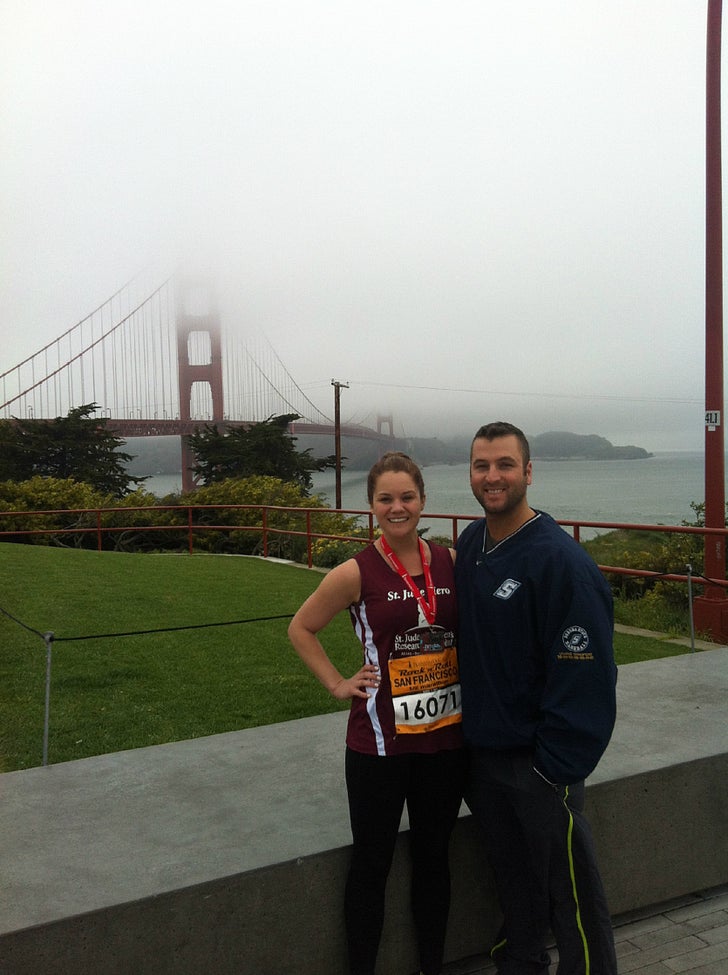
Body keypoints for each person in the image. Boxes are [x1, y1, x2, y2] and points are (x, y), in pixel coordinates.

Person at [288, 452, 466, 975]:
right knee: (372, 864)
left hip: (445, 740)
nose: (397, 507)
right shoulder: (354, 572)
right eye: (386, 499)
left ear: (423, 500)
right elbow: (301, 628)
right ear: (371, 507)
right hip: (379, 746)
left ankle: (430, 965)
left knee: (435, 860)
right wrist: (339, 683)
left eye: (407, 497)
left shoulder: (450, 561)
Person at [454, 421, 618, 975]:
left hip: (541, 767)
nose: (492, 476)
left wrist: (556, 767)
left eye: (504, 465)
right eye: (482, 465)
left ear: (527, 471)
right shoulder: (470, 542)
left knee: (572, 896)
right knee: (512, 882)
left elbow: (586, 674)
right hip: (484, 757)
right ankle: (519, 964)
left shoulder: (561, 563)